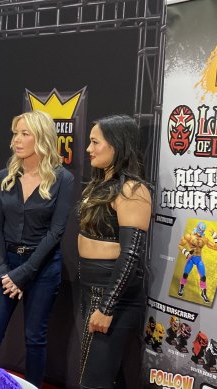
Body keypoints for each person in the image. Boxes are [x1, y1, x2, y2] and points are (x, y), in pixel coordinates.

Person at [0, 110, 74, 388]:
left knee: (35, 339)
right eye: (14, 134)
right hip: (6, 265)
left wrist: (24, 273)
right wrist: (5, 270)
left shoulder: (62, 178)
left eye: (24, 134)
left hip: (42, 268)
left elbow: (57, 232)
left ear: (41, 138)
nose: (15, 140)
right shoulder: (5, 176)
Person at [78, 115, 152, 388]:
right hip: (91, 290)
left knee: (93, 382)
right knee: (104, 377)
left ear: (117, 146)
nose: (88, 149)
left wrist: (107, 305)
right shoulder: (100, 184)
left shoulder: (133, 190)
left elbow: (131, 253)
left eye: (95, 142)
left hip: (112, 295)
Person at [177, 221, 217, 304]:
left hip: (199, 259)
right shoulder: (189, 236)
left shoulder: (205, 239)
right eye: (199, 230)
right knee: (185, 274)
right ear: (197, 228)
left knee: (203, 277)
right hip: (191, 258)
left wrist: (215, 236)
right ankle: (181, 287)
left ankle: (203, 293)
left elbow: (215, 247)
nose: (200, 233)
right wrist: (186, 252)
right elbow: (180, 245)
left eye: (202, 231)